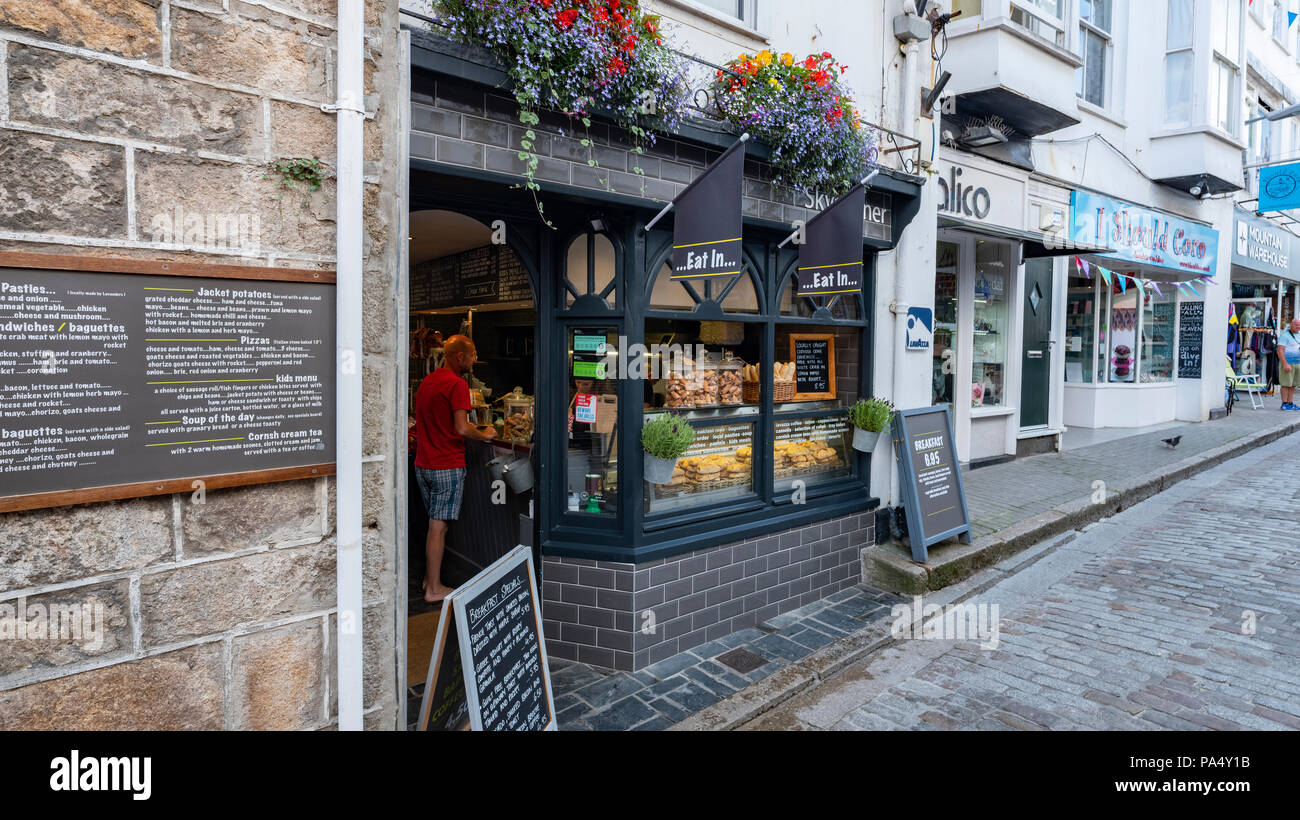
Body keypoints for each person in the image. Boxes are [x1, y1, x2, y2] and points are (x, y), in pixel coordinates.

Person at [414, 334, 494, 602]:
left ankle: (428, 578)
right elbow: (461, 427)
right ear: (459, 356)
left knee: (433, 525)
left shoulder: (429, 381)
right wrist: (484, 434)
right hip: (445, 464)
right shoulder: (456, 384)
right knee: (439, 528)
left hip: (423, 463)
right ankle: (434, 589)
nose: (474, 360)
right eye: (472, 355)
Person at [1280, 318, 1300, 411]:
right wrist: (1285, 364)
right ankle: (1284, 404)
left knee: (1293, 385)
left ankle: (1290, 403)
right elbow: (1280, 350)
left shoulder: (1299, 335)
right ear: (1291, 325)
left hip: (1297, 363)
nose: (1298, 327)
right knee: (1285, 384)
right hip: (1288, 363)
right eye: (1296, 325)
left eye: (1299, 325)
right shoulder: (1285, 336)